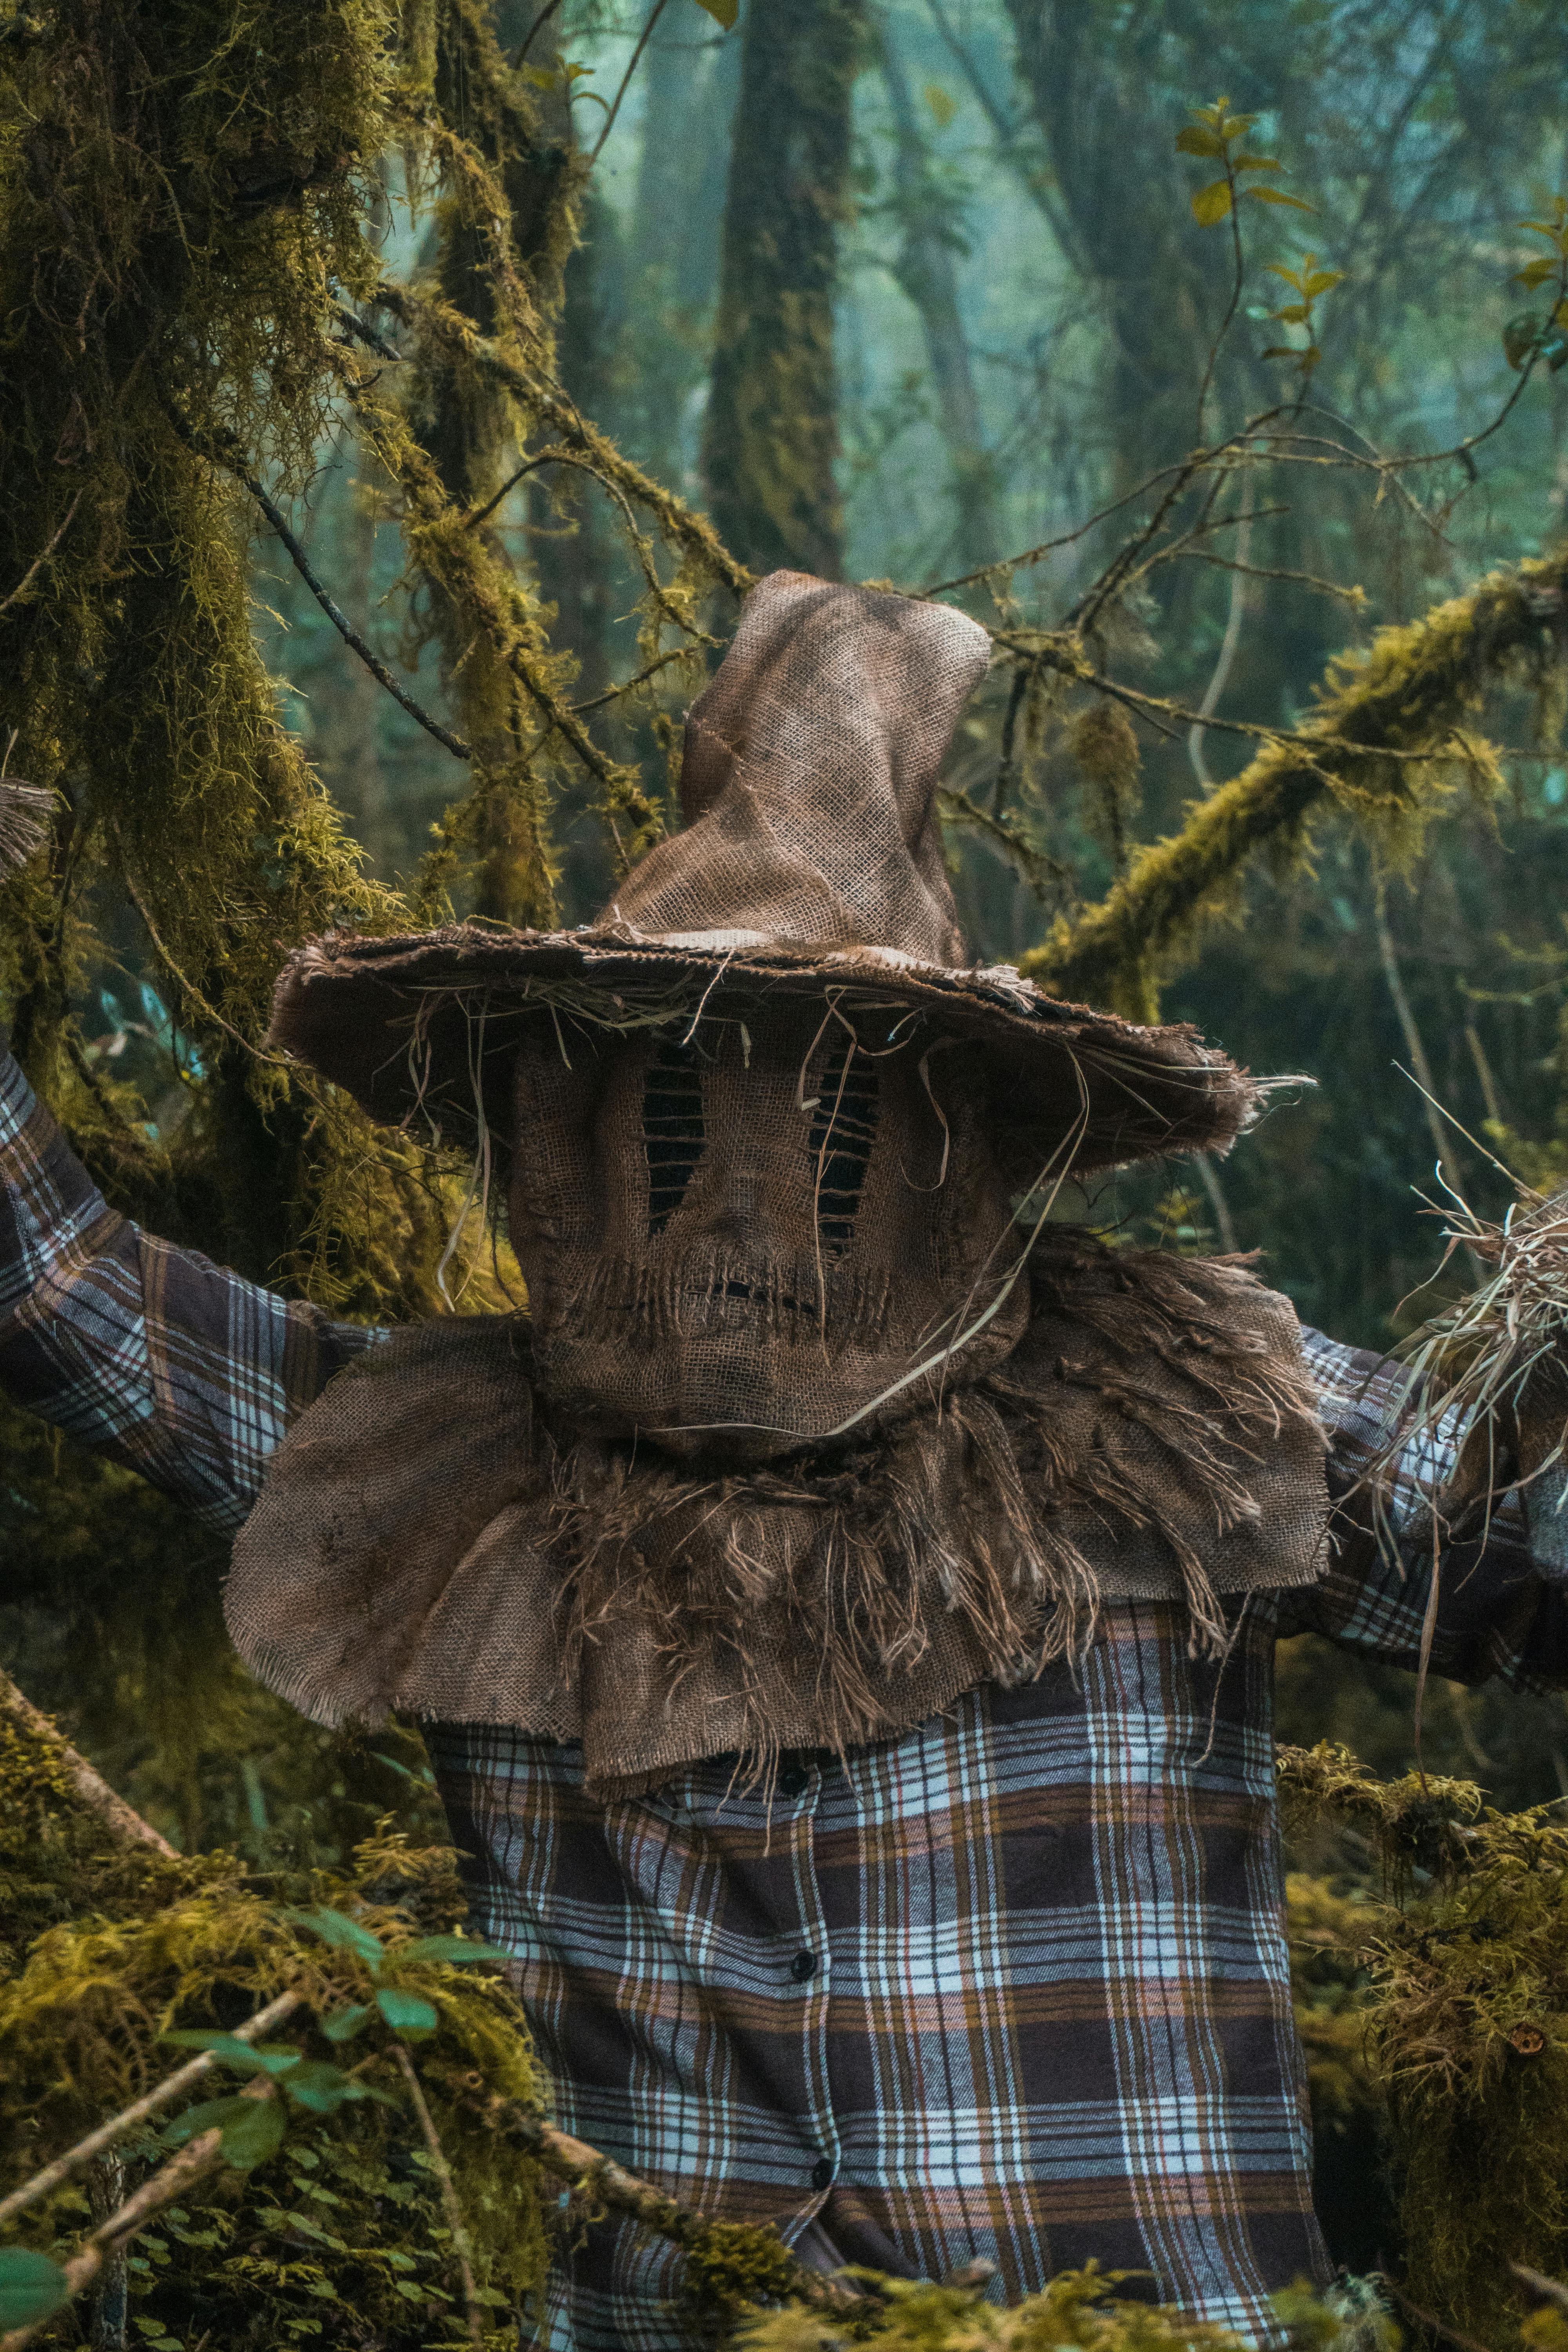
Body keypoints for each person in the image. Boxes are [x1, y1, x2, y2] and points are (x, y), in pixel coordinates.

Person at [3, 573, 1565, 2352]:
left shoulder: (1181, 1408)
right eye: (669, 1112)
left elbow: (1514, 1539)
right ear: (552, 1126)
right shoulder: (447, 1464)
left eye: (829, 1122)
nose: (744, 1198)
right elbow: (62, 1291)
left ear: (962, 1131)